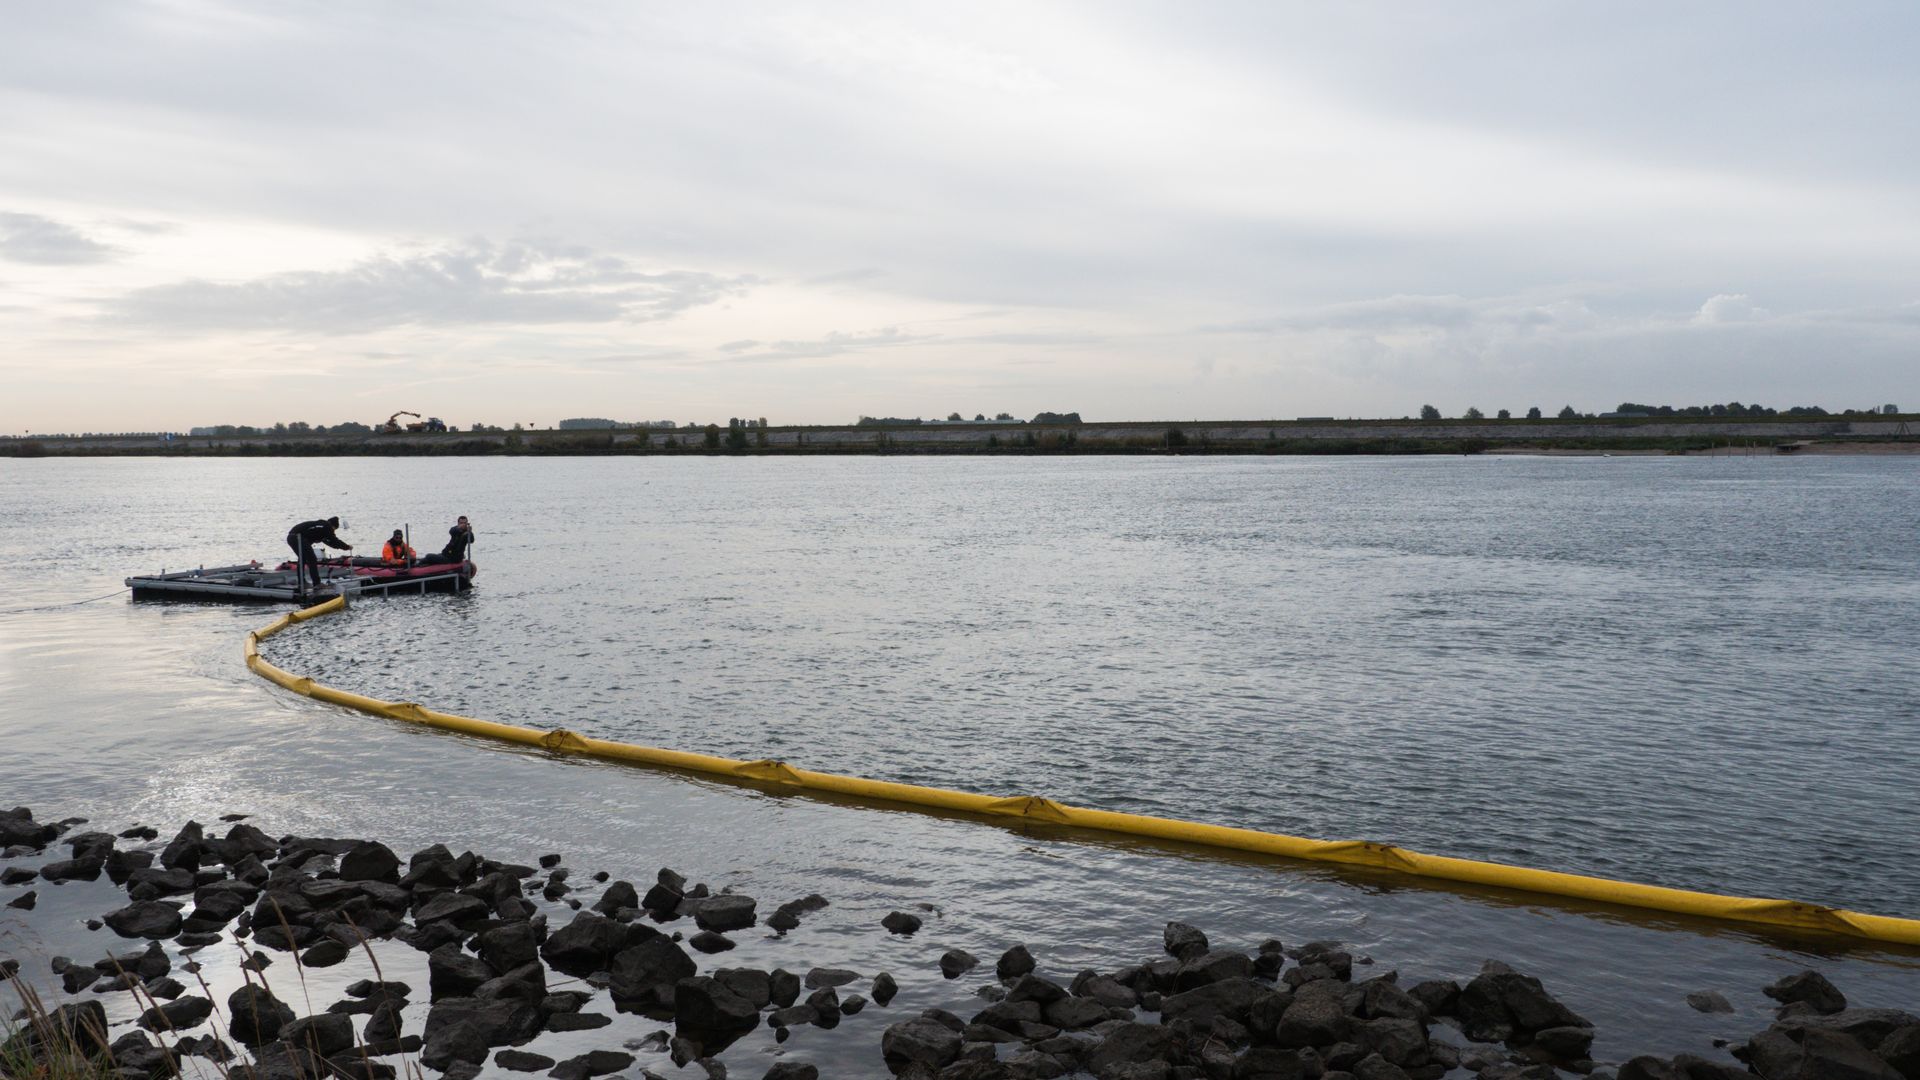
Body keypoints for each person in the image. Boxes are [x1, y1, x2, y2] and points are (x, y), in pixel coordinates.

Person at [286, 516, 352, 594]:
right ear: (333, 526)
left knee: (303, 558)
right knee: (312, 559)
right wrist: (347, 547)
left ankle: (302, 582)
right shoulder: (327, 527)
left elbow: (329, 542)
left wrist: (343, 547)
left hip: (291, 537)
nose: (333, 531)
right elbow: (334, 540)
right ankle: (317, 583)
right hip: (297, 537)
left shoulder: (321, 528)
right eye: (334, 529)